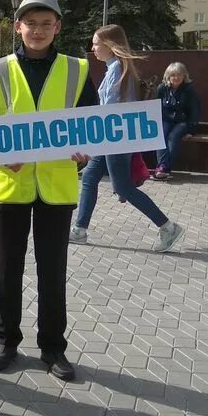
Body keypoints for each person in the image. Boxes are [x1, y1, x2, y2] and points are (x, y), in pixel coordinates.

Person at [0, 0, 97, 382]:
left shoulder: (77, 70)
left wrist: (88, 151)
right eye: (31, 23)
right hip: (11, 184)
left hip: (57, 187)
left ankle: (53, 347)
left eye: (46, 24)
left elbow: (93, 126)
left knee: (52, 269)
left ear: (57, 27)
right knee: (7, 270)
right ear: (18, 27)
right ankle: (6, 341)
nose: (38, 31)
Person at [69, 25, 186, 253]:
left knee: (123, 187)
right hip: (111, 138)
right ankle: (80, 230)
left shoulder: (118, 71)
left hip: (116, 138)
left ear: (110, 45)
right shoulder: (117, 68)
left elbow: (110, 109)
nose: (92, 48)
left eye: (96, 44)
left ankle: (167, 226)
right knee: (90, 178)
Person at [154, 62, 201, 180]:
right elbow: (156, 106)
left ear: (184, 76)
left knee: (173, 137)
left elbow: (194, 110)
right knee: (160, 135)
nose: (176, 78)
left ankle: (164, 168)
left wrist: (192, 129)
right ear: (168, 76)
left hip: (182, 121)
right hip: (166, 119)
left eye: (179, 75)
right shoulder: (162, 88)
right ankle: (163, 167)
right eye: (173, 75)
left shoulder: (189, 90)